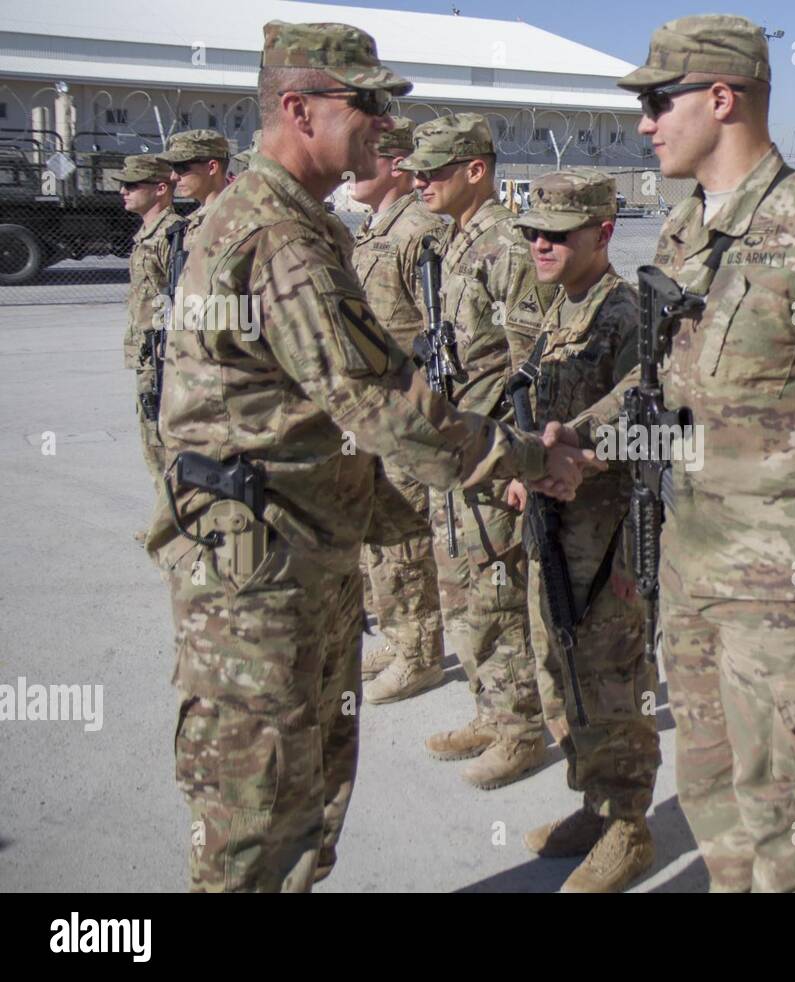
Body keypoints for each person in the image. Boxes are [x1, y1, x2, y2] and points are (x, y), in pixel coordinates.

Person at [148, 20, 598, 892]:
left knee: (305, 802)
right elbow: (383, 403)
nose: (384, 128)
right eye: (368, 104)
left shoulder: (290, 220)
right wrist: (527, 460)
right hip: (260, 573)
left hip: (293, 549)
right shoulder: (275, 234)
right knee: (257, 817)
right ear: (299, 108)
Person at [554, 14, 795, 892]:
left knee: (793, 845)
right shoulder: (686, 231)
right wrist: (582, 441)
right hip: (691, 581)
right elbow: (664, 386)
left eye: (657, 100)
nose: (644, 122)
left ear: (722, 99)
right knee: (718, 816)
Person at [507, 169, 661, 892]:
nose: (540, 243)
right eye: (533, 231)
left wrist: (570, 461)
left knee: (610, 684)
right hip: (554, 529)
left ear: (601, 234)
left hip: (606, 544)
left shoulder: (623, 316)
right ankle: (595, 804)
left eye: (556, 234)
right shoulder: (560, 310)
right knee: (559, 674)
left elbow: (648, 427)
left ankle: (628, 826)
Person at [398, 115, 561, 789]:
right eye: (419, 170)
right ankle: (490, 709)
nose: (420, 181)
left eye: (436, 170)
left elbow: (536, 364)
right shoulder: (451, 243)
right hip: (455, 447)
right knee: (463, 588)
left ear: (476, 170)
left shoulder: (507, 248)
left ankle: (521, 726)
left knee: (495, 591)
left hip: (494, 449)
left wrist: (529, 460)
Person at [350, 116, 453, 703]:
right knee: (380, 530)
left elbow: (434, 328)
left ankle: (420, 652)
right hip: (372, 407)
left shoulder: (416, 231)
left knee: (404, 530)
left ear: (393, 163)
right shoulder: (374, 229)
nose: (353, 169)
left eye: (368, 156)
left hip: (403, 407)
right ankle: (398, 632)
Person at [111, 153, 185, 521]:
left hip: (162, 353)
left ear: (160, 189)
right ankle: (165, 516)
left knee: (162, 439)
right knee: (150, 439)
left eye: (131, 185)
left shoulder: (172, 234)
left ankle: (174, 522)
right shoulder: (148, 232)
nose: (123, 191)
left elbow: (180, 297)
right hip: (146, 352)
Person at [159, 128, 230, 251]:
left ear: (212, 167)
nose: (173, 177)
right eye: (172, 167)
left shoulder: (236, 220)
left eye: (181, 167)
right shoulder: (189, 223)